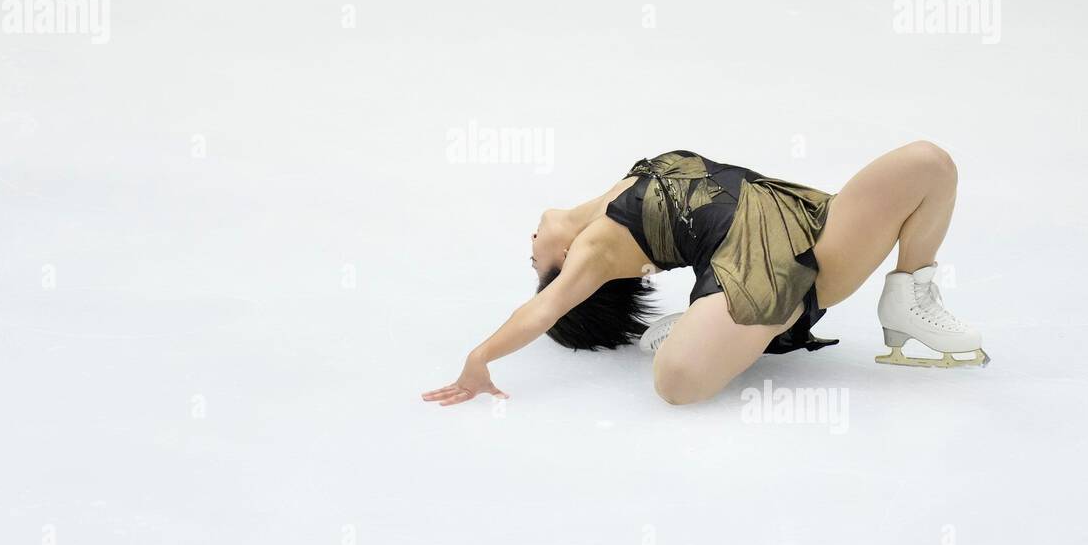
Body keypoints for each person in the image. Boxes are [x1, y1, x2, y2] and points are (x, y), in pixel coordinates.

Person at [422, 142, 988, 408]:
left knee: (929, 163)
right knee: (676, 384)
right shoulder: (594, 248)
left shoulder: (613, 193)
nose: (530, 245)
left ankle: (907, 294)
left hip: (813, 222)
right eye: (535, 265)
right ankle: (725, 325)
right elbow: (542, 311)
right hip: (763, 274)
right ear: (565, 268)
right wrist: (480, 359)